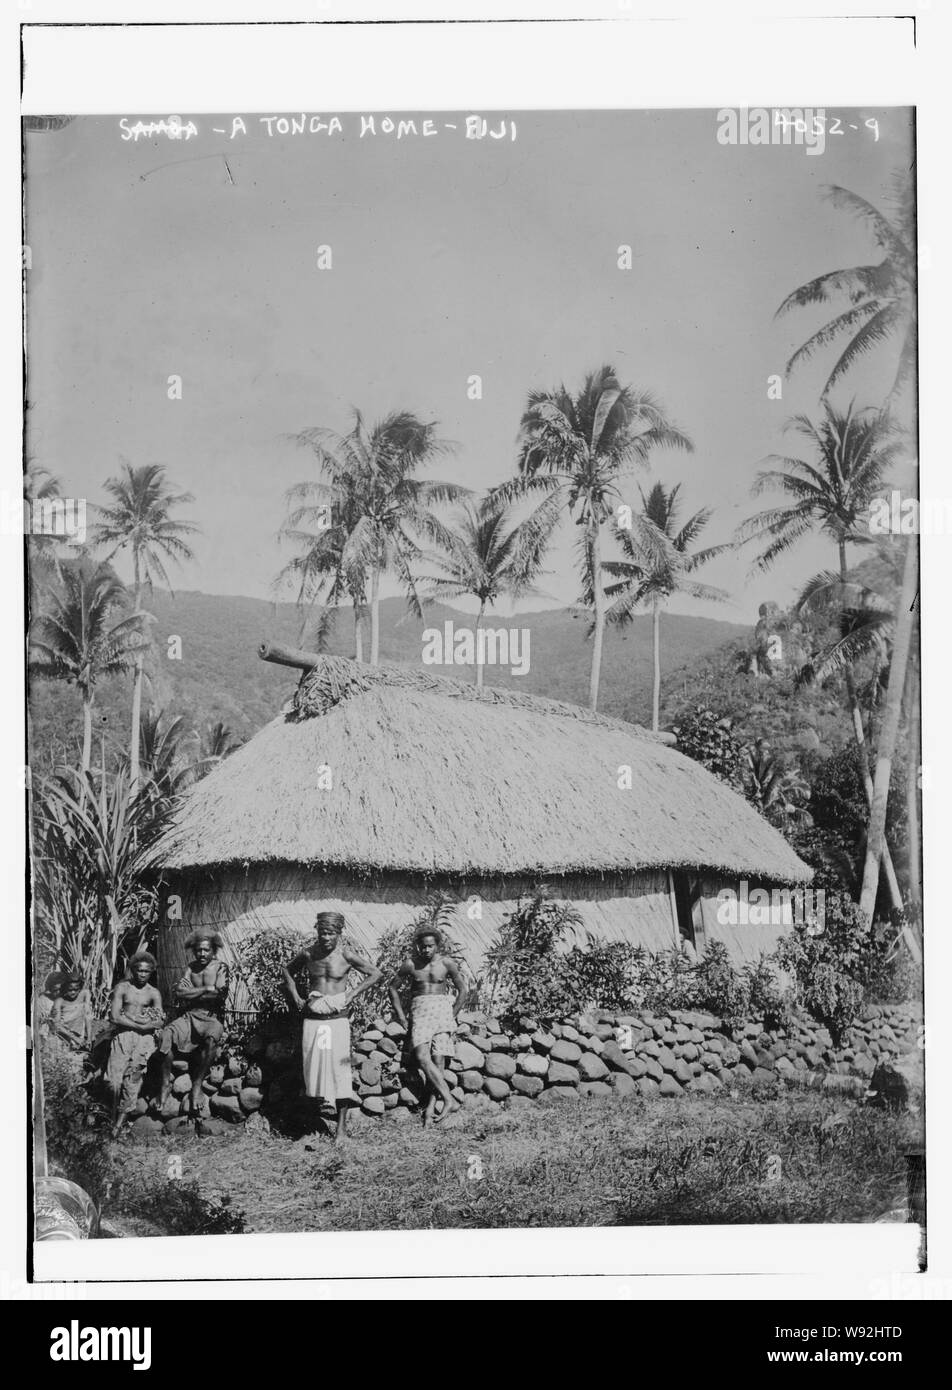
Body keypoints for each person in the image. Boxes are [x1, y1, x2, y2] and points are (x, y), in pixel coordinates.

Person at [282, 911, 381, 1144]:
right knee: (312, 1072)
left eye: (330, 933)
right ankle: (309, 1129)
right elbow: (287, 971)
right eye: (322, 932)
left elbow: (375, 973)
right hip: (314, 1022)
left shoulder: (346, 955)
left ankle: (341, 1131)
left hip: (337, 1021)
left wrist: (353, 993)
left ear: (339, 933)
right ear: (316, 931)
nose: (325, 937)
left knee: (339, 1073)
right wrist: (296, 996)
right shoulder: (308, 954)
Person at [389, 928, 464, 1126]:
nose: (426, 949)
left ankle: (430, 1112)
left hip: (442, 1012)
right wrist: (401, 1016)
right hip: (420, 1012)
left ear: (437, 946)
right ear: (417, 946)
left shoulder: (446, 963)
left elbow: (463, 988)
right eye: (423, 946)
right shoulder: (411, 964)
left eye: (430, 946)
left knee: (438, 1061)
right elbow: (392, 987)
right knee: (423, 1057)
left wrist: (453, 1012)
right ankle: (449, 1099)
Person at [157, 932, 229, 1122]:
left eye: (206, 950)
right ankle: (164, 1084)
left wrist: (193, 993)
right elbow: (180, 993)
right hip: (190, 1015)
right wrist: (206, 989)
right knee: (167, 1033)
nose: (202, 954)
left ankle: (197, 1085)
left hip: (211, 1017)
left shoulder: (220, 967)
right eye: (199, 950)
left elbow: (219, 995)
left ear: (213, 950)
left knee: (212, 1038)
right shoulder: (191, 968)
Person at [105, 952, 165, 1131]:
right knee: (113, 1081)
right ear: (133, 970)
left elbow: (160, 1020)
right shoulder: (123, 988)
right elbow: (115, 1017)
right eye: (139, 970)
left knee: (132, 1080)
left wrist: (146, 1027)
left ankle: (117, 1126)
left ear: (151, 972)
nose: (142, 974)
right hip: (123, 1036)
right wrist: (141, 1025)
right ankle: (109, 1118)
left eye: (146, 971)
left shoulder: (153, 993)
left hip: (143, 1042)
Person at [48, 974, 92, 1051]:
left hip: (77, 1036)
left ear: (80, 988)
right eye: (70, 989)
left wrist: (89, 1038)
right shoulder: (59, 1001)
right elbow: (57, 1025)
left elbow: (87, 1016)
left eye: (76, 989)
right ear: (65, 988)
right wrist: (75, 1038)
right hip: (61, 1036)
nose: (73, 992)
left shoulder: (85, 994)